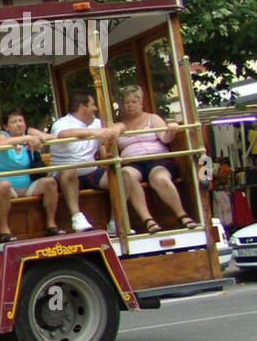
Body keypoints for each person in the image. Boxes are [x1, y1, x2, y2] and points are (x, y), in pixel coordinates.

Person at [115, 85, 195, 231]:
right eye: (127, 102)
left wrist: (171, 129)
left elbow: (166, 139)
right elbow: (109, 146)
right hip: (132, 163)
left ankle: (181, 215)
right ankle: (147, 219)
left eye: (134, 101)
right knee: (126, 176)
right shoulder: (118, 126)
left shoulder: (152, 118)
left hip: (158, 159)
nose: (130, 105)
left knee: (158, 178)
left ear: (141, 103)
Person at [49, 91, 123, 232]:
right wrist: (96, 133)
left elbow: (119, 126)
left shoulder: (95, 123)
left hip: (91, 171)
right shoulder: (62, 123)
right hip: (63, 177)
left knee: (123, 175)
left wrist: (117, 129)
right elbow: (63, 134)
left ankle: (115, 221)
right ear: (83, 107)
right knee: (69, 171)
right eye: (92, 105)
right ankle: (77, 218)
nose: (95, 108)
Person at [0, 109, 61, 242]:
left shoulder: (29, 132)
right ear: (6, 126)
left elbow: (52, 137)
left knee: (50, 182)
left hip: (27, 184)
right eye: (14, 121)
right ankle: (4, 230)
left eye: (21, 120)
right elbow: (1, 144)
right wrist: (27, 139)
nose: (19, 124)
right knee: (4, 185)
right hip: (4, 187)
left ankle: (51, 225)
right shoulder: (3, 135)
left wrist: (37, 139)